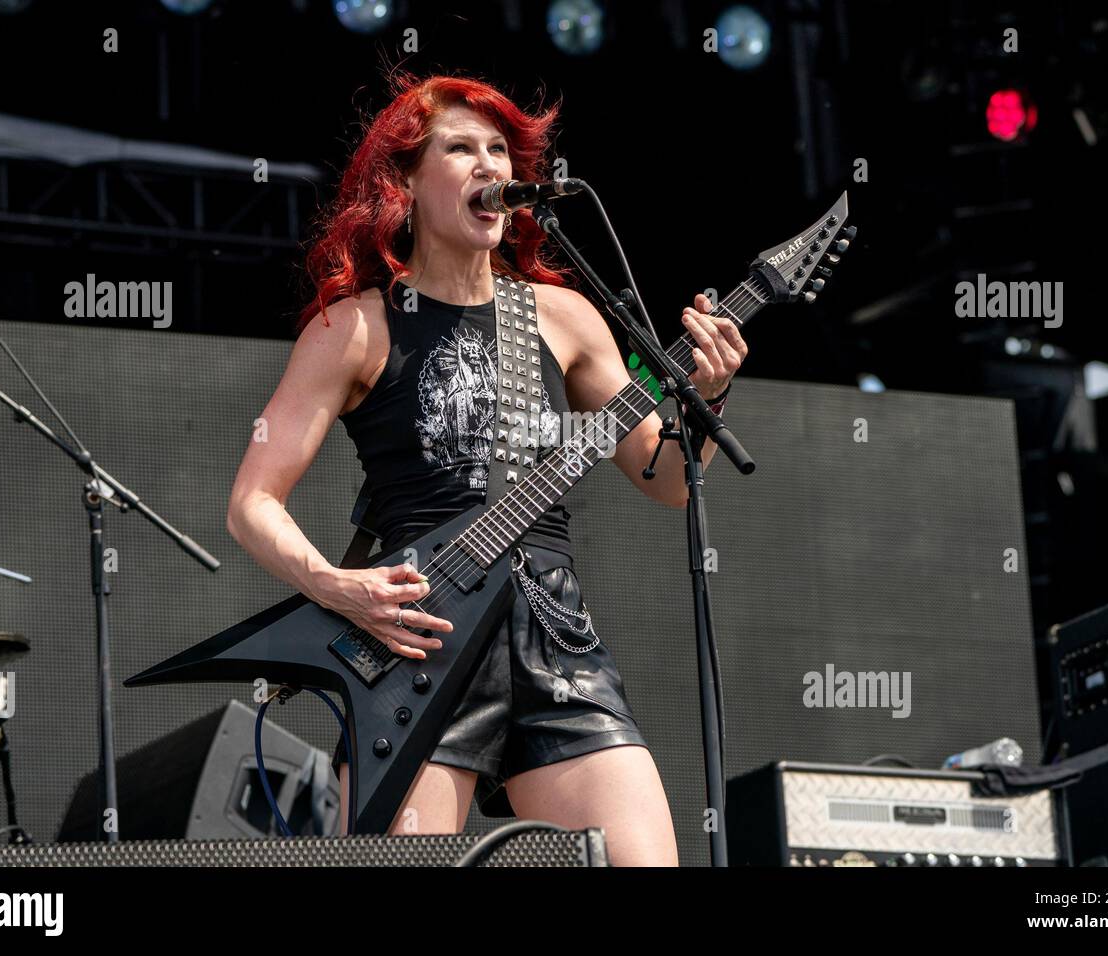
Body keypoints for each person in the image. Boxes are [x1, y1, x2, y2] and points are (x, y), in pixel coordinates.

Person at [225, 73, 745, 867]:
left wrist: (707, 396)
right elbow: (252, 503)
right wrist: (337, 584)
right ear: (404, 181)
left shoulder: (563, 315)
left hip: (554, 634)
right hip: (420, 640)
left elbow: (668, 478)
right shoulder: (355, 328)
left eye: (499, 148)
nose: (489, 163)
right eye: (460, 147)